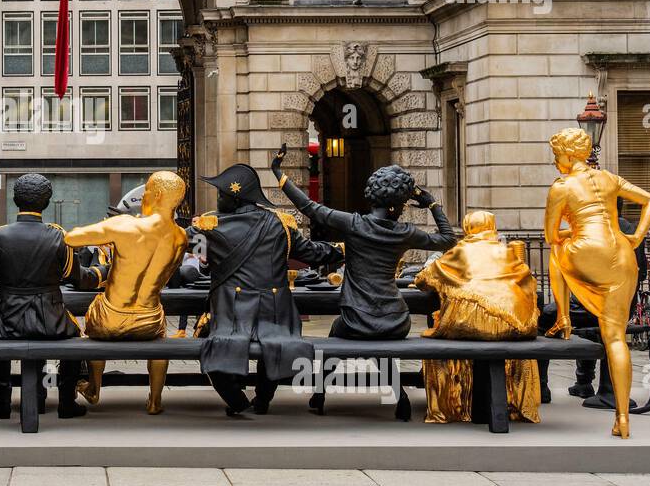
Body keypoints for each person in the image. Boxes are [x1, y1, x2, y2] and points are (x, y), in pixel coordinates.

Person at [191, 163, 343, 416]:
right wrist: (345, 249)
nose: (217, 198)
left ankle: (237, 401)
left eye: (221, 194)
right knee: (275, 344)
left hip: (231, 311)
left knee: (210, 341)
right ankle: (263, 399)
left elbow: (189, 251)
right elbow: (314, 253)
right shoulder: (281, 224)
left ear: (234, 198)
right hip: (276, 312)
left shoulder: (209, 226)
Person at [271, 144, 458, 341]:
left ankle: (326, 373)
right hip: (397, 320)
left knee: (335, 334)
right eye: (403, 205)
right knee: (384, 352)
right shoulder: (406, 233)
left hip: (357, 319)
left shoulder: (353, 224)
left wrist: (279, 173)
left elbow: (309, 207)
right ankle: (388, 374)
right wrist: (432, 204)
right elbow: (448, 239)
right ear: (396, 207)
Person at [0, 173, 100, 419]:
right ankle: (65, 401)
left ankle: (2, 402)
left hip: (7, 322)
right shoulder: (58, 237)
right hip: (51, 321)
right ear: (46, 202)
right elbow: (79, 278)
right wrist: (105, 272)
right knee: (78, 338)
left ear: (14, 199)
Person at [544, 127, 650, 439]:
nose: (556, 162)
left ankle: (563, 316)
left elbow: (551, 236)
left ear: (568, 155)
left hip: (587, 252)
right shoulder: (608, 178)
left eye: (556, 156)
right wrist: (635, 237)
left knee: (555, 251)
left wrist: (572, 231)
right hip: (622, 256)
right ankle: (622, 418)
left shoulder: (562, 186)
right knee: (616, 339)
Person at [63, 171, 188, 415]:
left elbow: (71, 238)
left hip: (109, 319)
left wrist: (111, 231)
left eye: (146, 192)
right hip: (148, 321)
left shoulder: (125, 225)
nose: (143, 198)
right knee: (161, 335)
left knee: (93, 320)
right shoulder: (180, 237)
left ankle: (94, 388)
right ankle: (155, 400)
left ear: (158, 195)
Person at [416, 210, 541, 423]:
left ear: (467, 228)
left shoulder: (461, 250)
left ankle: (452, 406)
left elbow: (424, 279)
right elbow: (529, 282)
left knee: (436, 342)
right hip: (515, 326)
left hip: (469, 323)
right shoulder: (505, 252)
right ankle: (514, 402)